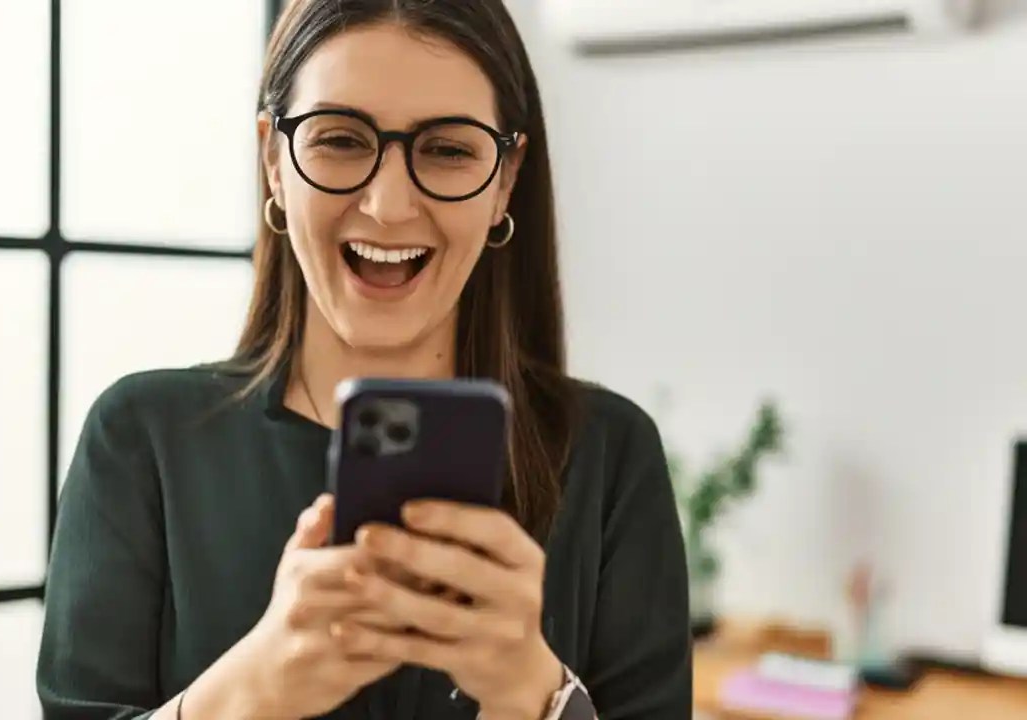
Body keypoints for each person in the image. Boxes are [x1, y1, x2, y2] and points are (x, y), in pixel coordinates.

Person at [36, 1, 691, 718]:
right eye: (341, 140)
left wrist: (533, 692)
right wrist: (255, 689)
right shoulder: (141, 437)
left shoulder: (610, 455)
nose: (387, 205)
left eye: (447, 150)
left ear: (506, 179)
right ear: (274, 163)